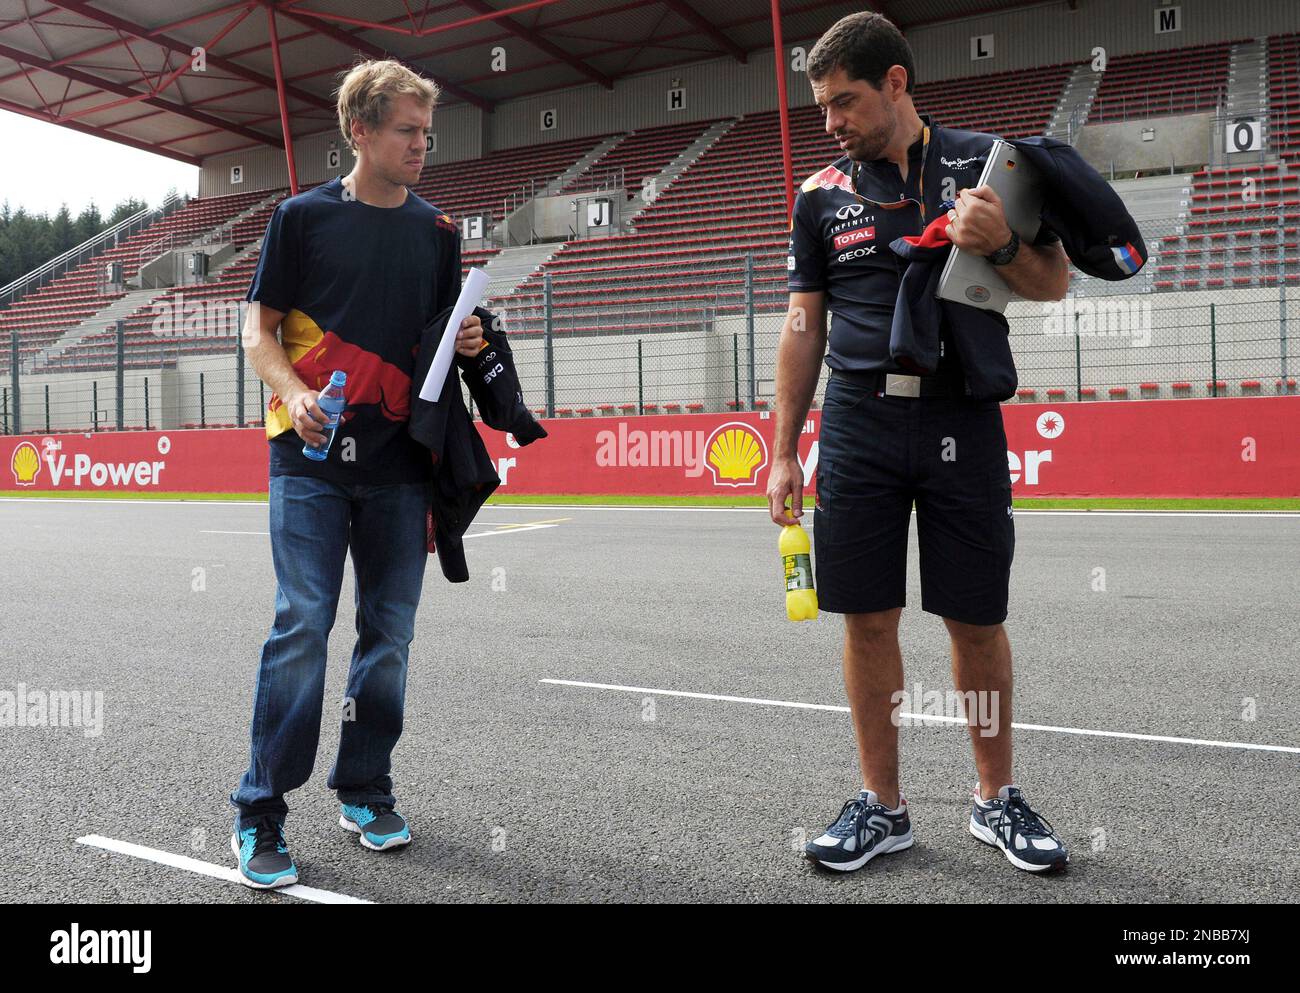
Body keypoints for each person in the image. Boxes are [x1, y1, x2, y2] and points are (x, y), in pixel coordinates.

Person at [766, 12, 1072, 874]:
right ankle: (883, 806)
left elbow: (1051, 281)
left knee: (976, 618)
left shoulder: (988, 165)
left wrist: (1003, 242)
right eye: (823, 105)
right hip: (859, 421)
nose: (832, 120)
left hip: (960, 415)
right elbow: (802, 324)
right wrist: (784, 447)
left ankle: (995, 798)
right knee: (867, 619)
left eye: (845, 101)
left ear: (896, 82)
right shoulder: (819, 193)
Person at [228, 58, 484, 889]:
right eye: (406, 130)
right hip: (306, 457)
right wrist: (295, 392)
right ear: (360, 131)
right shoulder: (299, 219)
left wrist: (470, 340)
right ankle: (260, 809)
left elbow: (442, 342)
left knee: (390, 635)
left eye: (426, 131)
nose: (422, 144)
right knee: (304, 622)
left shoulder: (438, 231)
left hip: (400, 463)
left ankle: (364, 788)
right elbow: (257, 332)